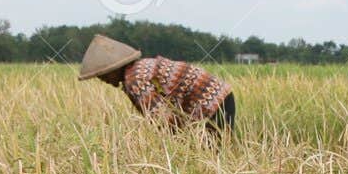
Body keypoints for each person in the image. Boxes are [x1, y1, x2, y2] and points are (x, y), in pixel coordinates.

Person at [78, 34, 235, 133]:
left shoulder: (135, 81)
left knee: (212, 159)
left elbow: (164, 120)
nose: (103, 80)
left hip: (212, 105)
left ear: (114, 68)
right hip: (222, 97)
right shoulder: (140, 68)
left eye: (103, 75)